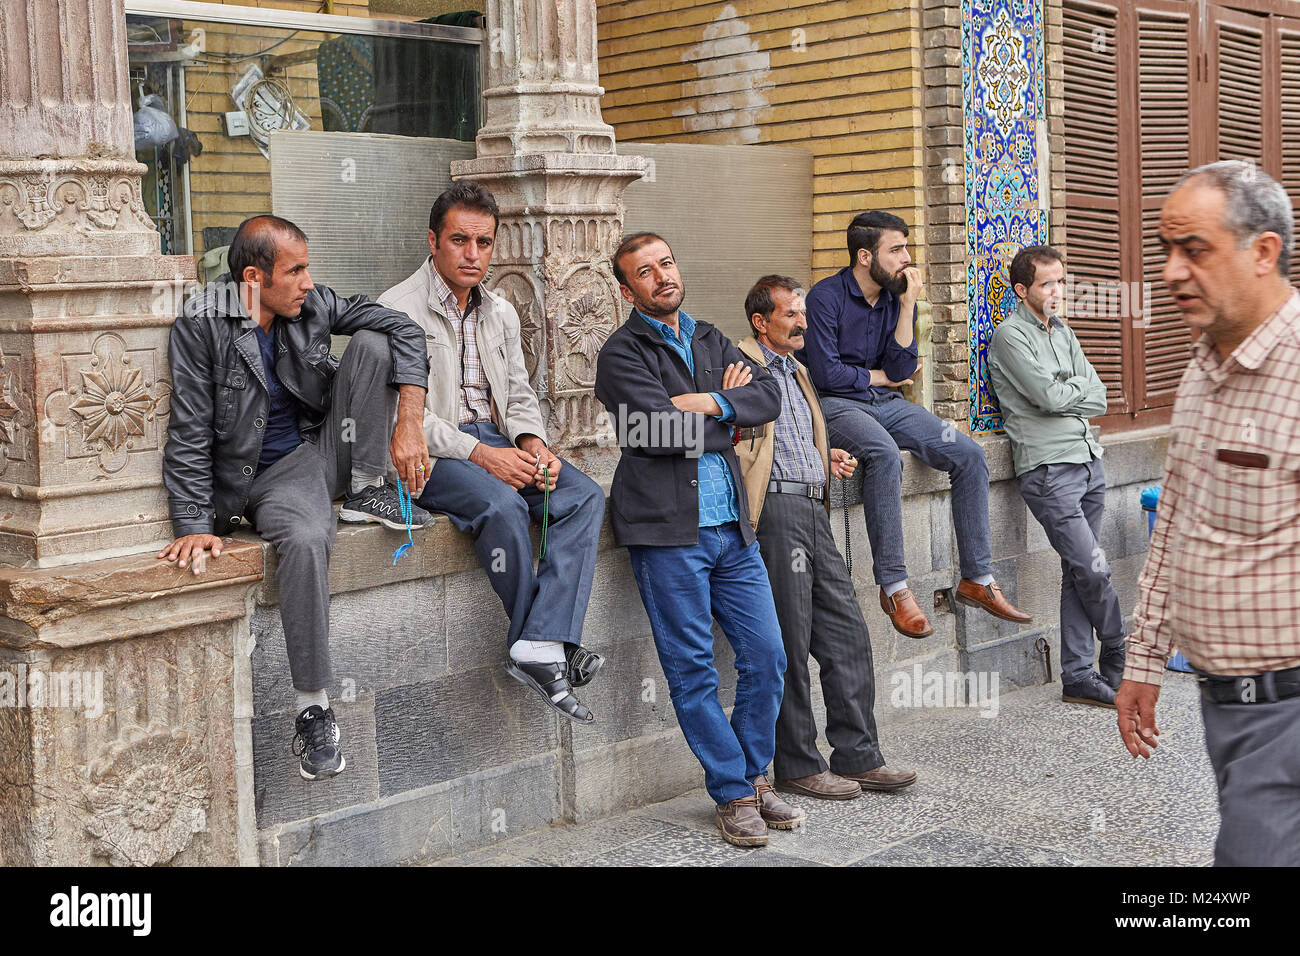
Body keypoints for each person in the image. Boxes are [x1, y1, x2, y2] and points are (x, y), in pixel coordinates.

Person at [160, 214, 432, 781]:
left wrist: (408, 421)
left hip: (318, 451)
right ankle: (314, 707)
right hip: (258, 475)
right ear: (254, 278)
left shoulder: (310, 305)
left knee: (376, 344)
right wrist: (190, 521)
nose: (309, 282)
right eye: (297, 270)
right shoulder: (202, 323)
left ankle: (365, 490)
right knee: (307, 537)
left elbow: (404, 327)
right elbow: (187, 428)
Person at [1116, 161, 1300, 866]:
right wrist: (1145, 658)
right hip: (1227, 707)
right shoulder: (1202, 367)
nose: (1171, 272)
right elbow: (1178, 523)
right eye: (1166, 250)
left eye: (1195, 250)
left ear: (1262, 252)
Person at [594, 233, 803, 848]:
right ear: (626, 287)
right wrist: (727, 413)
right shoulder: (620, 352)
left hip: (734, 532)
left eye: (666, 263)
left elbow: (768, 398)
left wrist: (708, 401)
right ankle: (734, 791)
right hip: (666, 535)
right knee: (692, 671)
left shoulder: (710, 336)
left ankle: (755, 773)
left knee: (768, 656)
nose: (661, 276)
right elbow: (652, 432)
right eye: (643, 271)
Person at [380, 181, 606, 724]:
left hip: (497, 440)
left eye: (484, 243)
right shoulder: (395, 309)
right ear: (433, 241)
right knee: (502, 507)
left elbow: (519, 391)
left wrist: (533, 444)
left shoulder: (500, 311)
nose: (473, 254)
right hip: (432, 456)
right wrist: (483, 456)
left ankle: (538, 642)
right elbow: (400, 419)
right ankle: (548, 646)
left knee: (583, 496)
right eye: (459, 241)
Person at [799, 211, 1031, 637]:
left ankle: (977, 579)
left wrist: (907, 305)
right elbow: (827, 375)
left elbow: (903, 366)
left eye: (907, 247)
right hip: (835, 406)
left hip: (885, 402)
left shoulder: (893, 298)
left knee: (968, 453)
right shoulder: (824, 298)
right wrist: (882, 376)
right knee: (885, 454)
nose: (907, 258)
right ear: (865, 255)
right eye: (897, 250)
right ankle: (894, 586)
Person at [735, 275, 918, 798]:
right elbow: (732, 440)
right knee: (790, 638)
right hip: (775, 513)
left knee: (847, 633)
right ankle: (796, 763)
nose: (801, 322)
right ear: (760, 321)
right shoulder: (740, 367)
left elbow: (792, 435)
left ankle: (859, 756)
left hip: (812, 505)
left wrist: (823, 457)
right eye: (790, 314)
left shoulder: (796, 370)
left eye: (802, 313)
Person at [988, 245, 1126, 708]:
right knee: (1093, 567)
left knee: (1078, 571)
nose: (1057, 291)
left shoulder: (1064, 333)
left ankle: (1078, 675)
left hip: (1090, 461)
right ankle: (1120, 652)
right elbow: (1047, 397)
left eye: (1061, 282)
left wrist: (1073, 393)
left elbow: (1101, 397)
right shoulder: (1011, 337)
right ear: (1022, 289)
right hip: (1049, 471)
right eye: (1047, 283)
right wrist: (1075, 392)